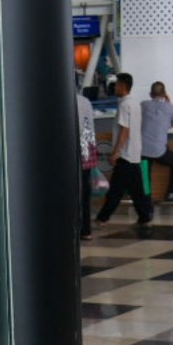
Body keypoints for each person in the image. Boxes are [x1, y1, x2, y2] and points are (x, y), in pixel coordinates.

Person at [95, 72, 154, 235]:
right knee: (137, 190)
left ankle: (102, 217)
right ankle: (144, 217)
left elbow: (124, 131)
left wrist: (115, 152)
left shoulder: (124, 105)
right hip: (134, 153)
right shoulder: (135, 104)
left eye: (117, 84)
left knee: (116, 190)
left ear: (123, 86)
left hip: (125, 155)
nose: (115, 87)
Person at [140, 81, 173, 203]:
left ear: (150, 94)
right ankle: (172, 193)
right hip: (160, 150)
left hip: (142, 149)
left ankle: (146, 199)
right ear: (164, 94)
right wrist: (168, 102)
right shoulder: (169, 107)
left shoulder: (143, 105)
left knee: (145, 173)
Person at [75, 76, 98, 242]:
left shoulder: (67, 101)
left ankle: (76, 227)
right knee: (85, 191)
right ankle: (86, 229)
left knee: (73, 192)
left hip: (74, 150)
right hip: (88, 148)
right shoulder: (86, 102)